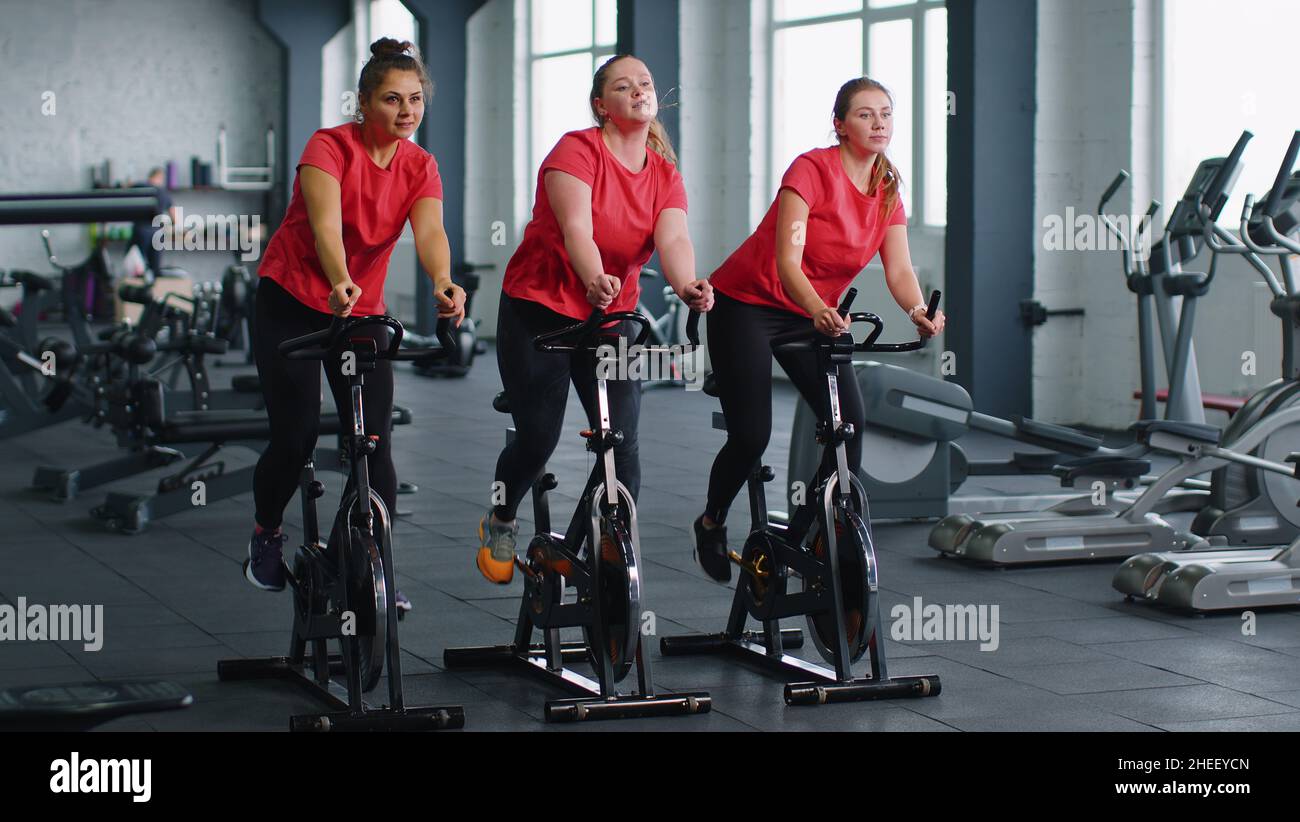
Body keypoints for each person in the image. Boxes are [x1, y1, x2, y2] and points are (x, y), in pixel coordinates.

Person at [691, 76, 946, 582]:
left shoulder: (887, 188)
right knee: (751, 435)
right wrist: (815, 309)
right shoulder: (810, 170)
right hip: (748, 304)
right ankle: (711, 520)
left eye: (886, 114)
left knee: (848, 426)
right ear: (839, 124)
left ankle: (796, 535)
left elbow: (898, 269)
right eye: (865, 114)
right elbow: (788, 261)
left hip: (810, 313)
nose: (879, 124)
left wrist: (917, 310)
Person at [243, 38, 466, 610]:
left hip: (360, 310)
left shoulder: (421, 166)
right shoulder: (329, 147)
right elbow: (325, 228)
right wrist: (339, 278)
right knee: (293, 441)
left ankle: (367, 567)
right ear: (363, 103)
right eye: (392, 99)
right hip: (291, 299)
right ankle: (266, 532)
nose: (407, 110)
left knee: (372, 443)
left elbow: (432, 234)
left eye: (415, 99)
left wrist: (443, 282)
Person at [476, 54, 714, 584]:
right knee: (537, 439)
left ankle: (600, 552)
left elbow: (673, 238)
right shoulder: (576, 151)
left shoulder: (664, 175)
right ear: (600, 106)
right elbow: (576, 230)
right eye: (624, 86)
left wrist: (685, 284)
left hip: (610, 316)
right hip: (540, 310)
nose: (639, 91)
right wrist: (591, 276)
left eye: (645, 83)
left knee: (621, 441)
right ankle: (501, 517)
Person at [129, 167, 177, 282]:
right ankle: (154, 294)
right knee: (155, 268)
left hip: (140, 230)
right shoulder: (164, 193)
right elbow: (174, 217)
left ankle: (135, 294)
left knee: (136, 267)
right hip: (157, 233)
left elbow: (125, 189)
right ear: (160, 177)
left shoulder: (139, 187)